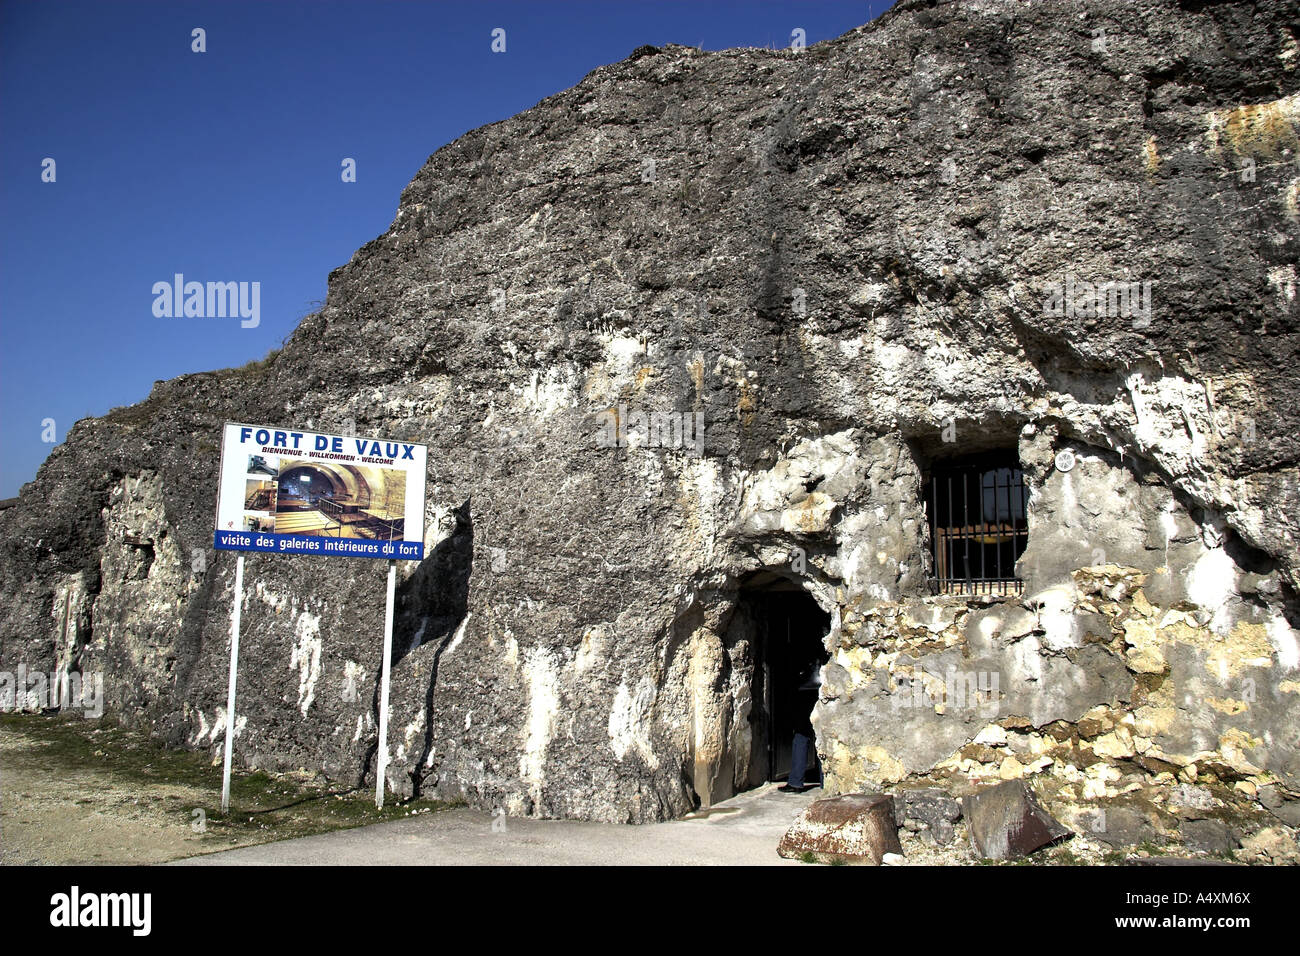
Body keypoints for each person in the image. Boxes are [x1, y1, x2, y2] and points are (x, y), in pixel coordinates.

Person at [779, 659, 823, 793]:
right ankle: (825, 781)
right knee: (822, 736)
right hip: (820, 687)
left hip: (805, 689)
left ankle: (796, 781)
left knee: (801, 735)